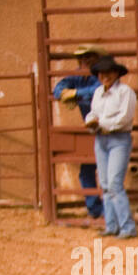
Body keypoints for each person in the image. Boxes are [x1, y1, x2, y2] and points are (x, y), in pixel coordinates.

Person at [83, 55, 138, 239]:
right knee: (106, 184)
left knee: (114, 184)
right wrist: (90, 120)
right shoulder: (98, 92)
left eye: (109, 72)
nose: (105, 76)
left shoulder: (125, 92)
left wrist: (101, 123)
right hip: (101, 139)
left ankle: (127, 227)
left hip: (118, 138)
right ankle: (112, 225)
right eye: (101, 72)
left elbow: (125, 118)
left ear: (116, 73)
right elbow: (93, 112)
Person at [52, 45, 106, 221]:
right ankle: (96, 209)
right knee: (87, 170)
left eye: (89, 58)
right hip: (91, 129)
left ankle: (109, 210)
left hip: (108, 128)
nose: (85, 62)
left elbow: (98, 91)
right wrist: (64, 92)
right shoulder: (79, 75)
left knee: (107, 171)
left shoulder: (104, 74)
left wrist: (75, 94)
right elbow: (59, 87)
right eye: (82, 59)